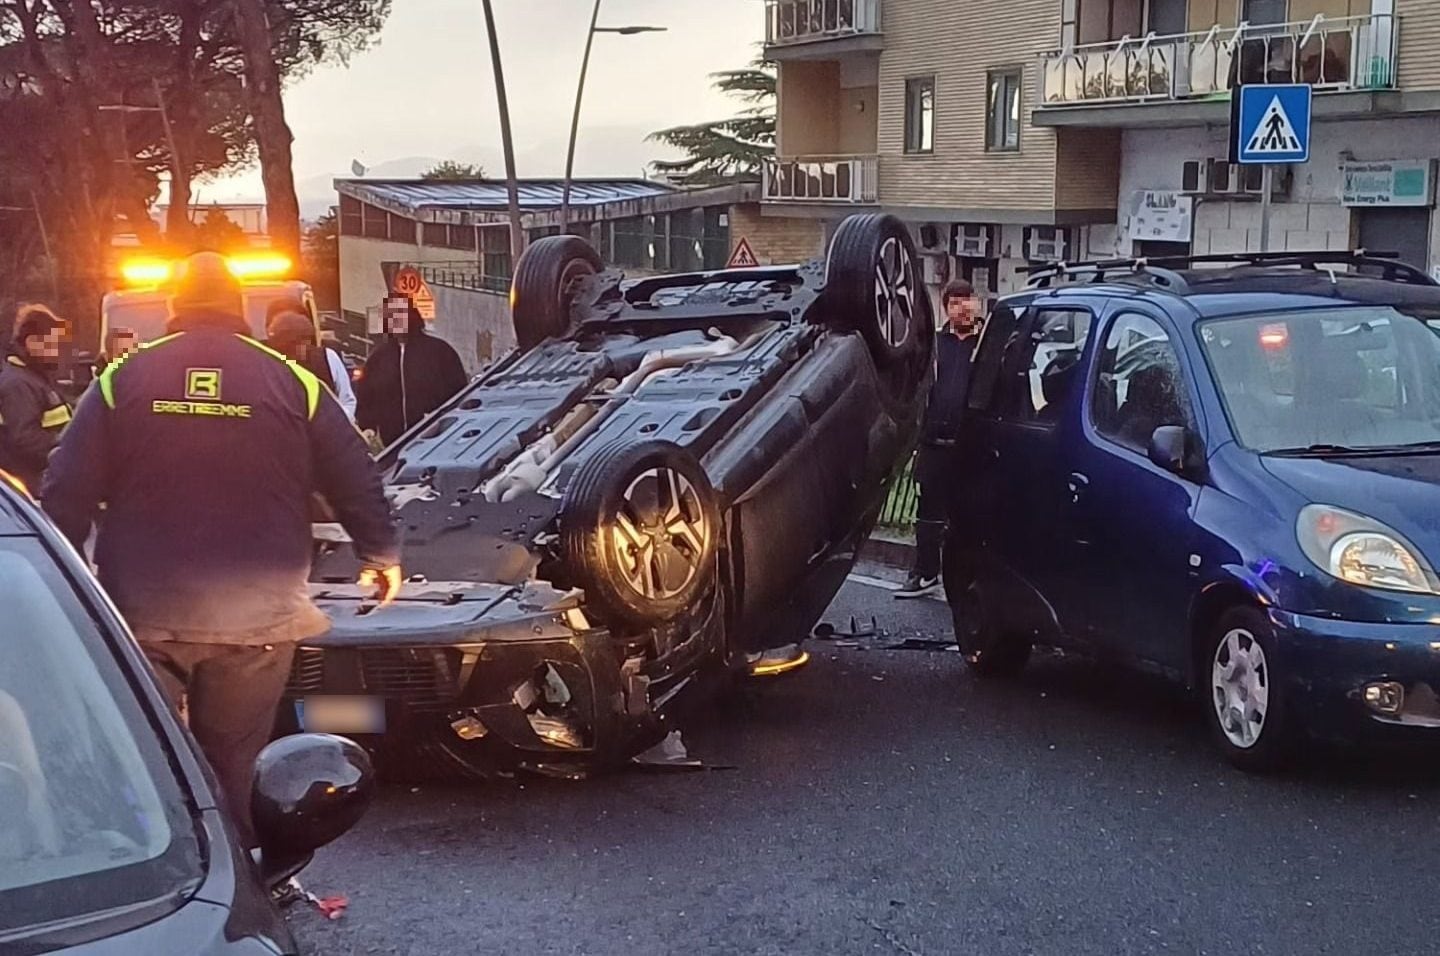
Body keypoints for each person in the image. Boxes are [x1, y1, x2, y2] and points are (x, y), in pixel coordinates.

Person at [42, 251, 402, 848]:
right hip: (256, 615)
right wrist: (380, 555)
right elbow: (354, 474)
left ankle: (157, 865)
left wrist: (60, 578)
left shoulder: (122, 378)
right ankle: (236, 871)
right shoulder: (293, 381)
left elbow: (66, 487)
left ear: (174, 305)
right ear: (239, 308)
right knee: (235, 760)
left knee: (147, 751)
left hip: (145, 610)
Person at [896, 280, 985, 599]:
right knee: (928, 515)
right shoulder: (933, 345)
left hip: (971, 449)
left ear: (976, 303)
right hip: (934, 444)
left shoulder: (988, 344)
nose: (961, 308)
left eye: (966, 300)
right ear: (945, 308)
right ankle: (925, 573)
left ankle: (968, 580)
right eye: (954, 302)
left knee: (968, 517)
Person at [356, 294, 468, 446]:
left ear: (411, 316)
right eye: (390, 317)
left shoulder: (440, 352)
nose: (395, 322)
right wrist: (368, 426)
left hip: (435, 439)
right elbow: (367, 397)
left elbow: (459, 393)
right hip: (392, 443)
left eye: (399, 315)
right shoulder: (378, 358)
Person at [0, 305, 72, 493]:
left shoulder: (34, 378)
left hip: (45, 481)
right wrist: (69, 445)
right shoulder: (17, 384)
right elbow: (25, 439)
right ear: (32, 343)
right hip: (34, 488)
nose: (56, 351)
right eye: (51, 345)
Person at [265, 305, 358, 421]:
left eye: (305, 341)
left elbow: (347, 400)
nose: (302, 348)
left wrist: (337, 422)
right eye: (294, 344)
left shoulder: (327, 357)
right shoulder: (270, 364)